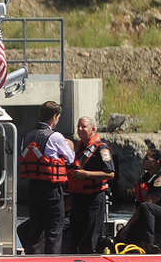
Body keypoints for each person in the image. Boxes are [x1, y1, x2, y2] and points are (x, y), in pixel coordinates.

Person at [16, 100, 74, 254]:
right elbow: (70, 158)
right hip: (51, 189)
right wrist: (68, 145)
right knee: (54, 229)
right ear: (55, 117)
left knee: (36, 227)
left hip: (33, 188)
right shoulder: (56, 137)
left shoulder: (27, 135)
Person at [118, 147, 161, 253]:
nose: (143, 161)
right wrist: (127, 229)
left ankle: (150, 244)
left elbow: (148, 204)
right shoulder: (147, 179)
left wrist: (128, 226)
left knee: (146, 207)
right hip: (159, 219)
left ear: (157, 162)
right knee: (123, 235)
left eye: (147, 159)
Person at [65, 116, 115, 253]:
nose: (80, 129)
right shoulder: (78, 147)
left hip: (93, 198)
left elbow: (110, 174)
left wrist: (86, 174)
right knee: (75, 236)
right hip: (78, 198)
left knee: (90, 237)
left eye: (83, 127)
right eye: (78, 126)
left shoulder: (102, 149)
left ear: (92, 129)